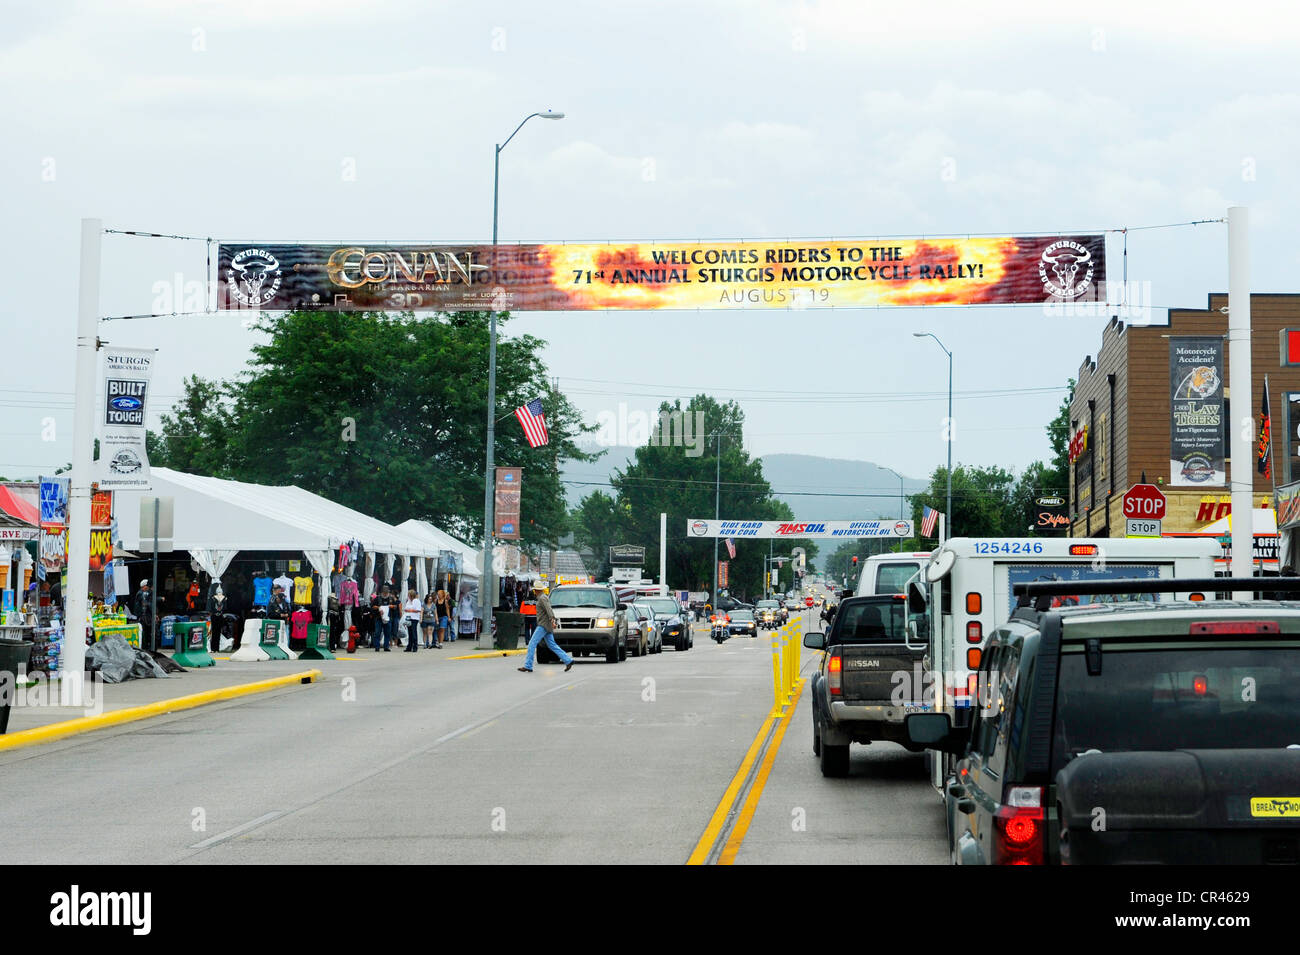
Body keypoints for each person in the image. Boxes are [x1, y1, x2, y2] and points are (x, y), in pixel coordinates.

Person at [518, 581, 574, 673]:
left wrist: (553, 619)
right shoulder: (542, 597)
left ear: (536, 590)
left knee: (532, 643)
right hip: (546, 625)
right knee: (552, 645)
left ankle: (528, 665)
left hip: (543, 625)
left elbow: (549, 609)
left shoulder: (542, 598)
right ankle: (568, 660)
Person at [131, 579, 155, 649]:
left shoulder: (141, 593)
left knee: (146, 633)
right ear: (144, 586)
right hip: (143, 617)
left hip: (143, 616)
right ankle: (145, 647)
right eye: (146, 586)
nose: (148, 587)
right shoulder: (141, 594)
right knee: (145, 633)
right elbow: (144, 605)